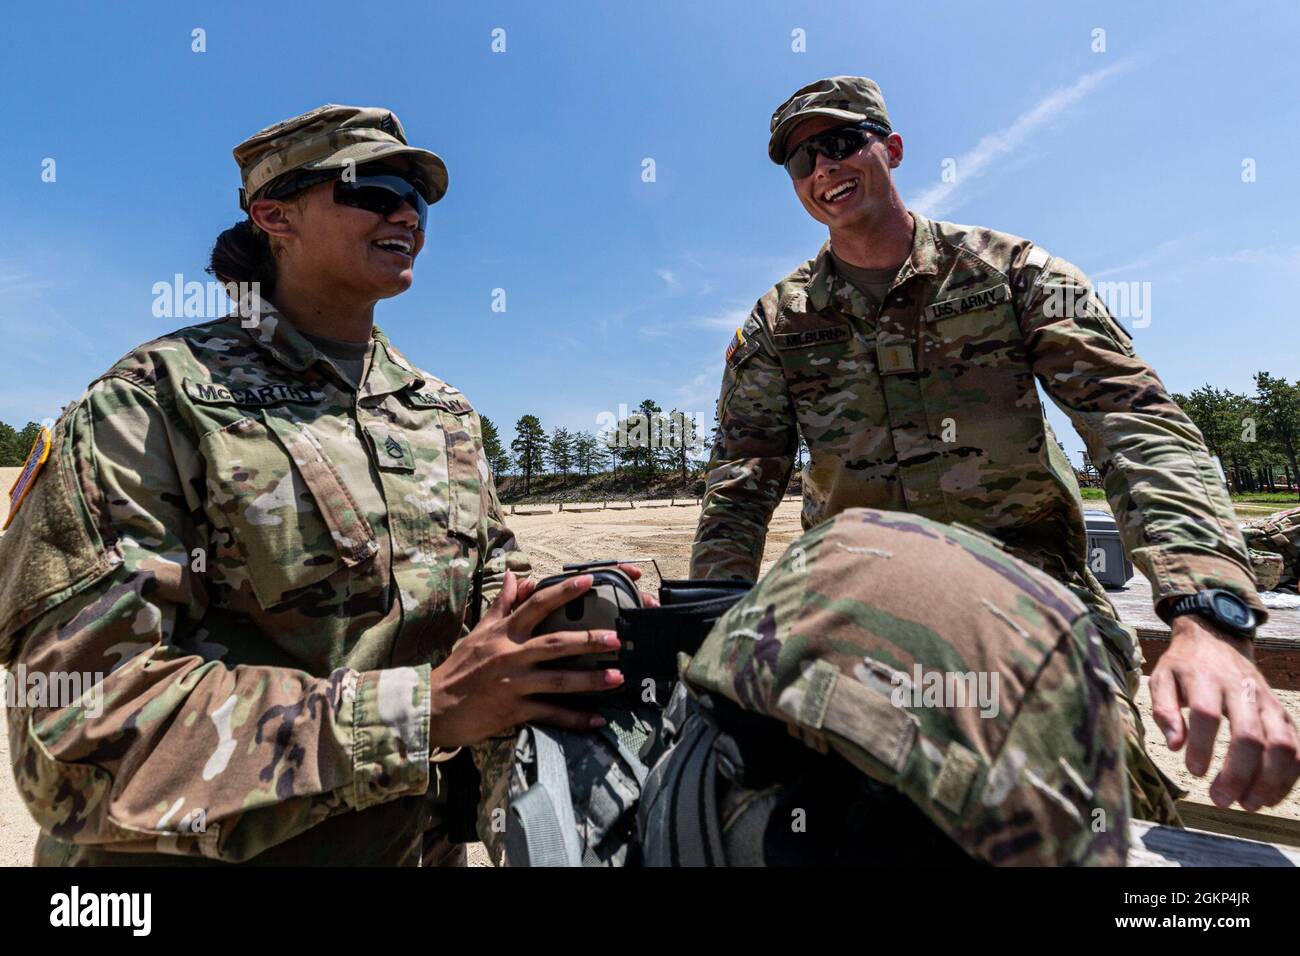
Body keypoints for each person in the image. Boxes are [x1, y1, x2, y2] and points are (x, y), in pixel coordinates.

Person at [0, 104, 639, 866]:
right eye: (375, 187)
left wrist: (585, 618)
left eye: (419, 197)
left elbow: (490, 636)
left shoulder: (442, 415)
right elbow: (78, 734)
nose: (407, 210)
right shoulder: (151, 403)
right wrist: (420, 713)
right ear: (275, 215)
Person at [690, 76, 1300, 820]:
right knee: (789, 805)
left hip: (1029, 600)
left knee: (1076, 796)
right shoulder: (779, 322)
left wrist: (1205, 610)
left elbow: (1134, 422)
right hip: (858, 610)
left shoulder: (1013, 273)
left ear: (894, 149)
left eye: (843, 143)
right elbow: (741, 483)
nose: (823, 169)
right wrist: (706, 624)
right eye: (801, 159)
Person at [643, 507, 1131, 866]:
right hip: (844, 584)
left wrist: (1197, 596)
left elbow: (1134, 417)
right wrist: (725, 641)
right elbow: (739, 491)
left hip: (1019, 616)